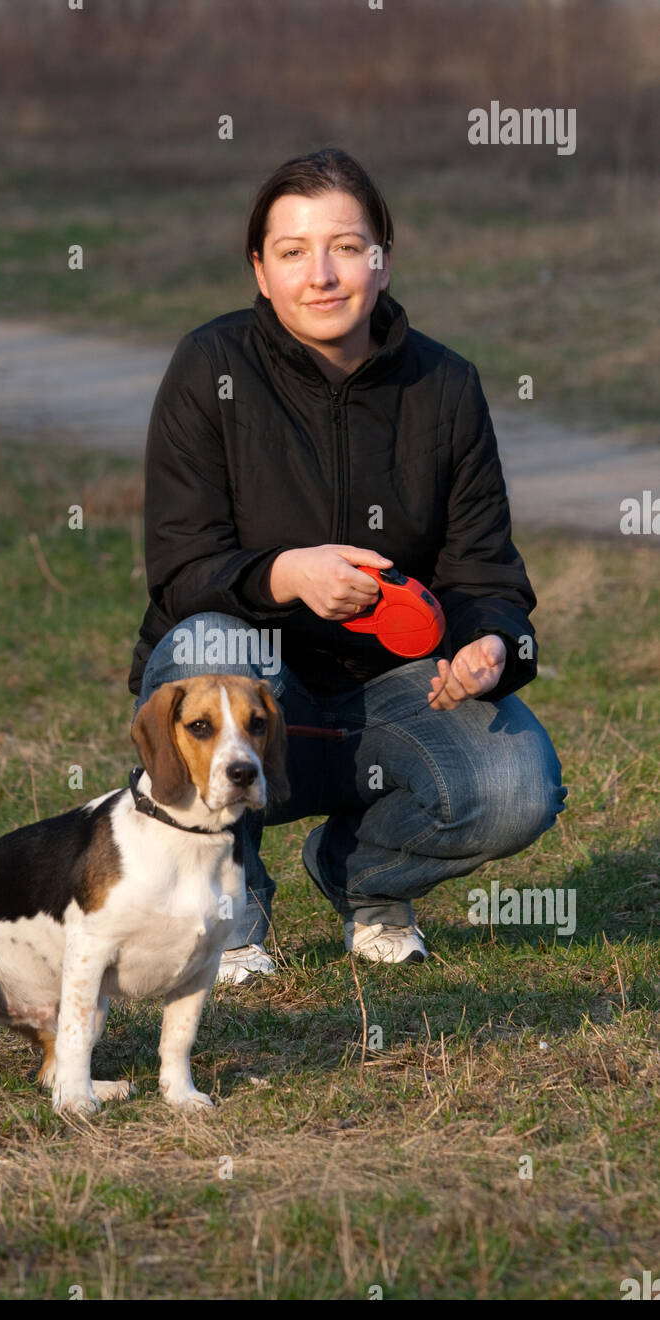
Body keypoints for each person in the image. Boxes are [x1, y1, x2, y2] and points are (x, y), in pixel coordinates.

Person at [128, 146, 567, 982]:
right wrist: (285, 574)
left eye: (346, 246)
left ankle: (360, 879)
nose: (321, 275)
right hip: (256, 688)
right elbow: (181, 569)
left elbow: (486, 576)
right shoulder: (209, 368)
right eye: (292, 252)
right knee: (211, 645)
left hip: (396, 693)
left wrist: (493, 647)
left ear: (383, 258)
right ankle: (234, 908)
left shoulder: (446, 386)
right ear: (260, 271)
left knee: (520, 785)